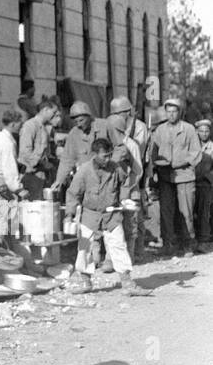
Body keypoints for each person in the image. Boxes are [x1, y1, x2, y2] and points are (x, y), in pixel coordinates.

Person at [64, 134, 140, 295]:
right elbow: (73, 193)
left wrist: (125, 200)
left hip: (111, 215)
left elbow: (124, 184)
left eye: (109, 155)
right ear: (94, 155)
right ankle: (85, 281)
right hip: (89, 216)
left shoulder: (116, 168)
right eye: (104, 156)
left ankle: (127, 284)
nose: (108, 159)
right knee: (84, 248)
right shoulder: (84, 171)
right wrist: (69, 214)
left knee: (119, 246)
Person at [148, 97, 201, 256]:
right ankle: (168, 244)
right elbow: (153, 153)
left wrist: (179, 162)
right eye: (168, 112)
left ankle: (188, 244)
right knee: (166, 211)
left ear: (180, 113)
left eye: (174, 111)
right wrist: (157, 166)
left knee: (186, 212)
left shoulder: (189, 129)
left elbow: (196, 153)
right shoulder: (160, 130)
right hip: (165, 177)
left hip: (184, 176)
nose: (171, 115)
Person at [99, 96, 146, 265]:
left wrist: (127, 187)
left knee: (130, 225)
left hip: (128, 191)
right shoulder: (106, 147)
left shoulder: (131, 145)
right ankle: (110, 259)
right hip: (111, 192)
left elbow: (137, 170)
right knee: (110, 224)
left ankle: (130, 256)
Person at [18, 95, 60, 197]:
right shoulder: (30, 126)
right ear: (45, 110)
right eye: (53, 113)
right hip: (31, 175)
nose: (54, 116)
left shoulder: (43, 128)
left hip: (42, 175)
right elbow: (25, 154)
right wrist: (42, 164)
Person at [55, 100, 97, 192]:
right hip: (85, 180)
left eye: (81, 120)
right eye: (76, 121)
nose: (79, 124)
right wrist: (59, 181)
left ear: (89, 116)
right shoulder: (74, 133)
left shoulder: (103, 127)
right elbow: (67, 159)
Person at [0, 109, 25, 201]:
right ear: (12, 124)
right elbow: (9, 168)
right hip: (2, 183)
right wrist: (18, 189)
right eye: (20, 124)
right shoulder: (7, 142)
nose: (21, 127)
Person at [194, 119, 213, 249]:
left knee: (205, 212)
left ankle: (204, 239)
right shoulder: (193, 145)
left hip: (206, 184)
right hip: (192, 182)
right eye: (201, 131)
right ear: (197, 132)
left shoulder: (212, 147)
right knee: (191, 211)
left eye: (206, 131)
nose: (204, 134)